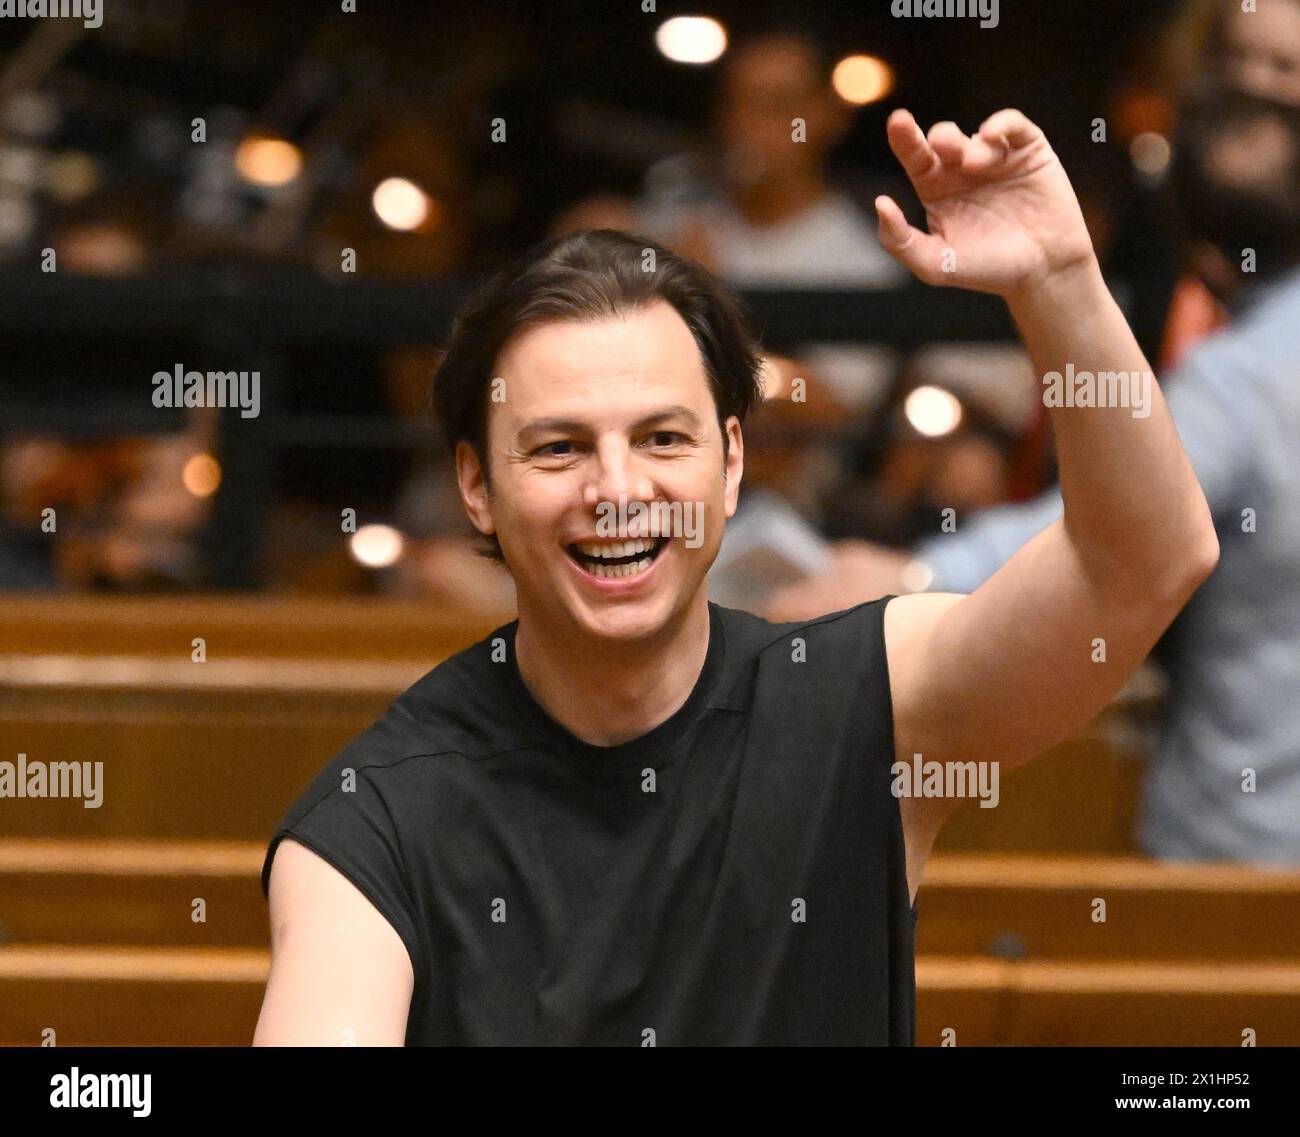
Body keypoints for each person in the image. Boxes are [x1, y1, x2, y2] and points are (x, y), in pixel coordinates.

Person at [253, 107, 1217, 1045]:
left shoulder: (861, 703)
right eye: (558, 448)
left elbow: (1145, 564)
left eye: (663, 439)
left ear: (732, 462)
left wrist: (1058, 283)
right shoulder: (374, 820)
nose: (619, 489)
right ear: (476, 486)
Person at [767, 88, 1300, 867]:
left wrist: (919, 570)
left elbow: (1117, 535)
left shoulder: (1241, 378)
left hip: (1251, 851)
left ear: (1206, 263)